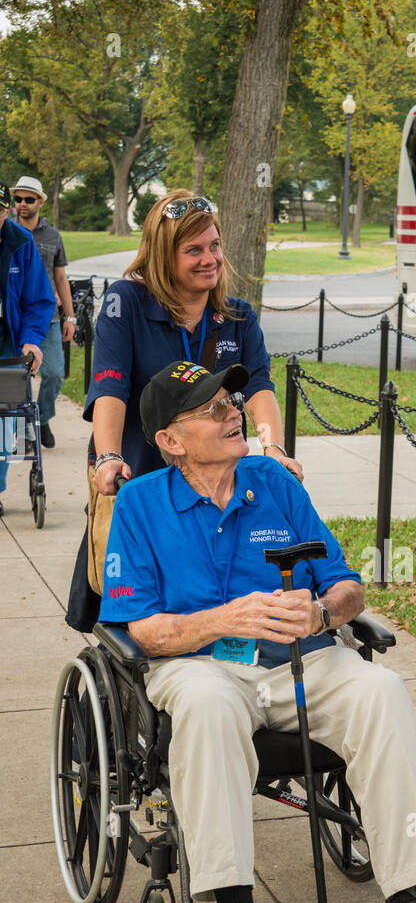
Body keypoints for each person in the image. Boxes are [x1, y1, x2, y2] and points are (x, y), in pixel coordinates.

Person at [100, 359, 416, 903]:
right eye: (211, 409)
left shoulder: (274, 482)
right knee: (207, 708)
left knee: (382, 693)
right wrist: (223, 618)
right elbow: (142, 631)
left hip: (303, 659)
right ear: (171, 441)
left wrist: (326, 612)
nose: (232, 411)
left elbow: (346, 582)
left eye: (230, 400)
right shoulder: (139, 504)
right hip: (203, 666)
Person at [67, 189, 302, 631]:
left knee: (213, 585)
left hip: (214, 479)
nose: (209, 258)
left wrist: (273, 449)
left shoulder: (237, 316)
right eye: (193, 250)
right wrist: (109, 456)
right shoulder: (126, 303)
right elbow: (110, 387)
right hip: (139, 473)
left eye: (214, 246)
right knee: (140, 602)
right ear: (162, 255)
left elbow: (257, 387)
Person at [0, 179, 54, 516]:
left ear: (5, 211)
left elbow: (38, 299)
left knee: (7, 422)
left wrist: (31, 339)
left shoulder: (21, 243)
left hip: (7, 343)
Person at [12, 175, 75, 448]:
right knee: (14, 378)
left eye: (28, 199)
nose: (22, 204)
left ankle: (41, 418)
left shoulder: (53, 236)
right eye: (18, 199)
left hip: (47, 318)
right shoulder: (8, 232)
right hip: (15, 319)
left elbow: (61, 278)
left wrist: (70, 316)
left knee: (53, 374)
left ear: (40, 202)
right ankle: (21, 425)